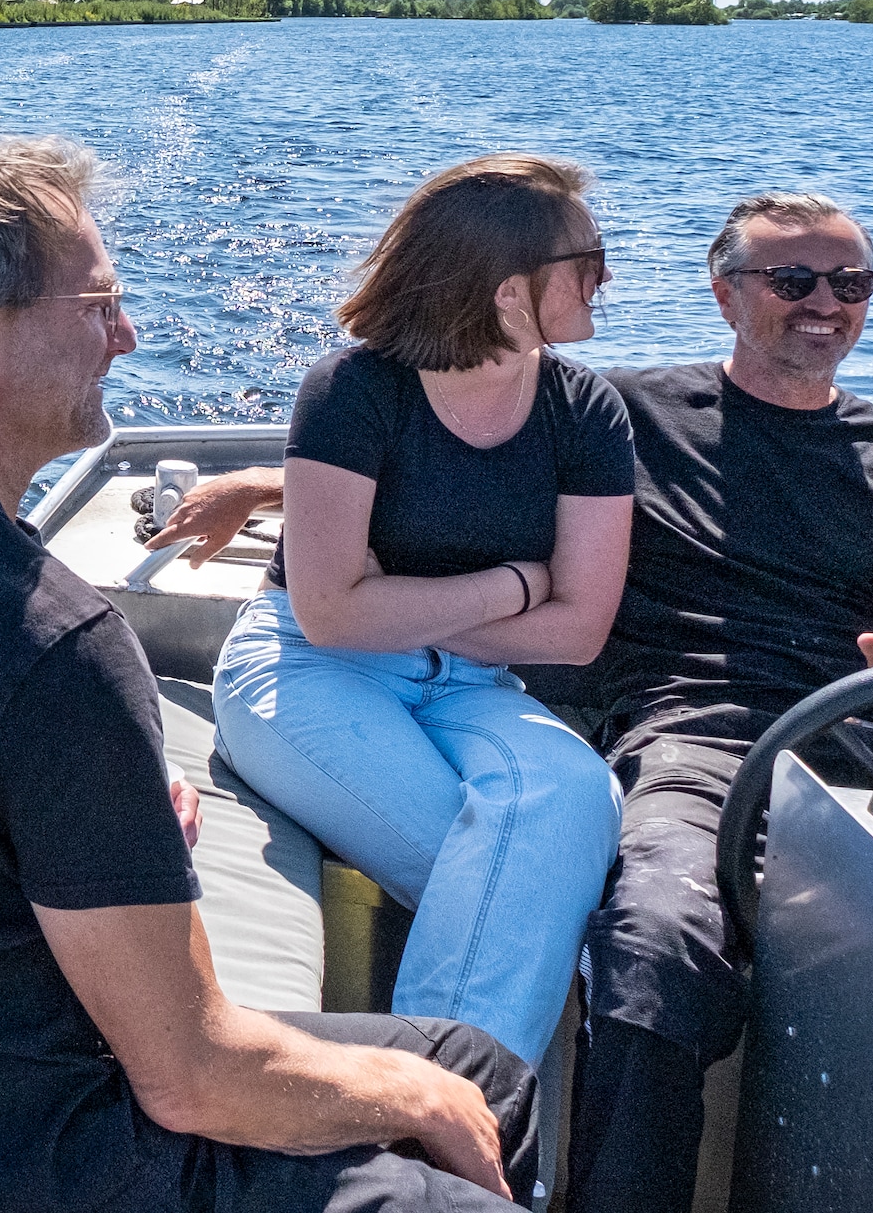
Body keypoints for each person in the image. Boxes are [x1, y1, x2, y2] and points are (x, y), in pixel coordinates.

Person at [0, 131, 536, 1213]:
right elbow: (194, 1077)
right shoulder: (53, 645)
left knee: (486, 1070)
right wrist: (412, 1100)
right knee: (454, 1112)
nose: (127, 333)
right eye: (96, 305)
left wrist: (64, 817)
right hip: (72, 1166)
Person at [563, 192, 873, 1213]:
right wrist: (269, 491)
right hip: (696, 736)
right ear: (723, 291)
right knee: (651, 937)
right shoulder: (619, 416)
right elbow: (446, 466)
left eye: (849, 283)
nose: (825, 303)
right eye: (793, 280)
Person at [204, 156, 632, 1071]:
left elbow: (581, 628)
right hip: (303, 674)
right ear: (510, 289)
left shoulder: (585, 409)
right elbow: (323, 618)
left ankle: (425, 1131)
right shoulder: (355, 391)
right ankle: (458, 1124)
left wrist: (391, 604)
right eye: (591, 257)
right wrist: (519, 585)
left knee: (575, 793)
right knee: (527, 875)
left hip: (476, 684)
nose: (608, 275)